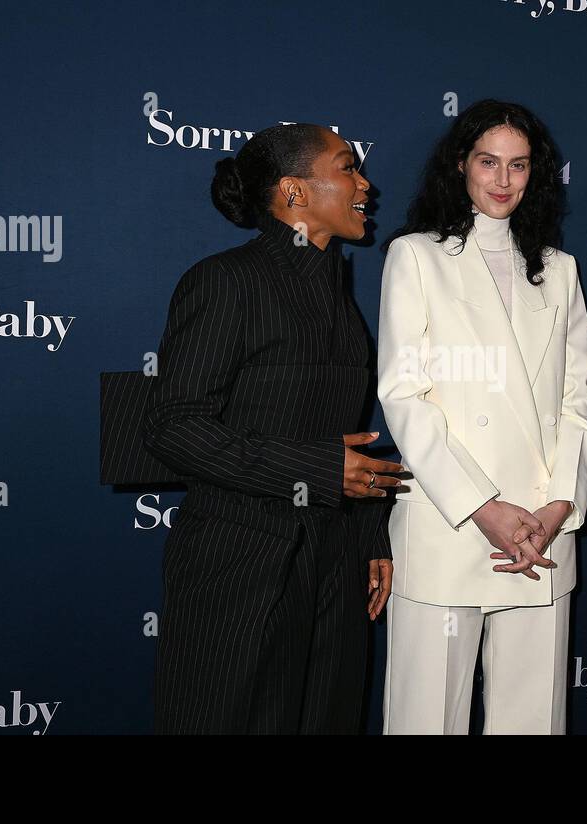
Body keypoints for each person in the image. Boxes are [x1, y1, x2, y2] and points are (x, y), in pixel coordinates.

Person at [143, 123, 403, 734]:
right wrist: (315, 468)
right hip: (241, 569)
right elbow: (173, 427)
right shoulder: (225, 280)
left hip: (333, 571)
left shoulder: (338, 296)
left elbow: (346, 437)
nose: (366, 184)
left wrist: (369, 538)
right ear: (294, 192)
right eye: (347, 168)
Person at [377, 99, 587, 734]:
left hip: (541, 537)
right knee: (426, 722)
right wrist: (482, 506)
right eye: (488, 162)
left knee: (532, 722)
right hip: (450, 526)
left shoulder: (560, 272)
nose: (503, 180)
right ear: (461, 165)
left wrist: (559, 506)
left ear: (536, 175)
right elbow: (405, 396)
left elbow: (577, 400)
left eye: (519, 165)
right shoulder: (416, 256)